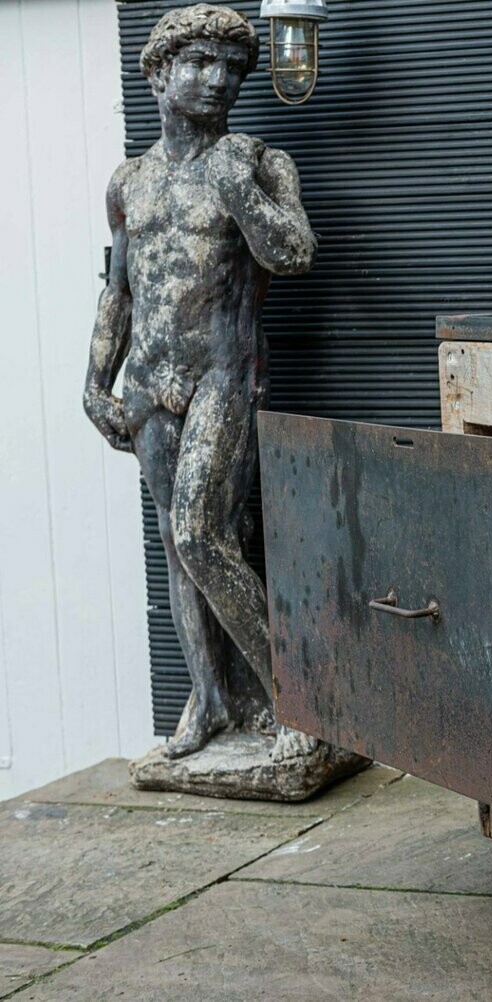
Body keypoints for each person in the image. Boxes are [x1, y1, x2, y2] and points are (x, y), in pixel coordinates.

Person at [83, 4, 320, 761]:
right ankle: (212, 699)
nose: (218, 80)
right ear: (159, 75)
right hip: (149, 383)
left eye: (231, 69)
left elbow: (294, 254)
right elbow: (120, 289)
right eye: (199, 63)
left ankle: (301, 706)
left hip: (224, 373)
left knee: (199, 532)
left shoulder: (257, 162)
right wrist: (94, 382)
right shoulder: (129, 181)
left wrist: (238, 189)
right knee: (175, 540)